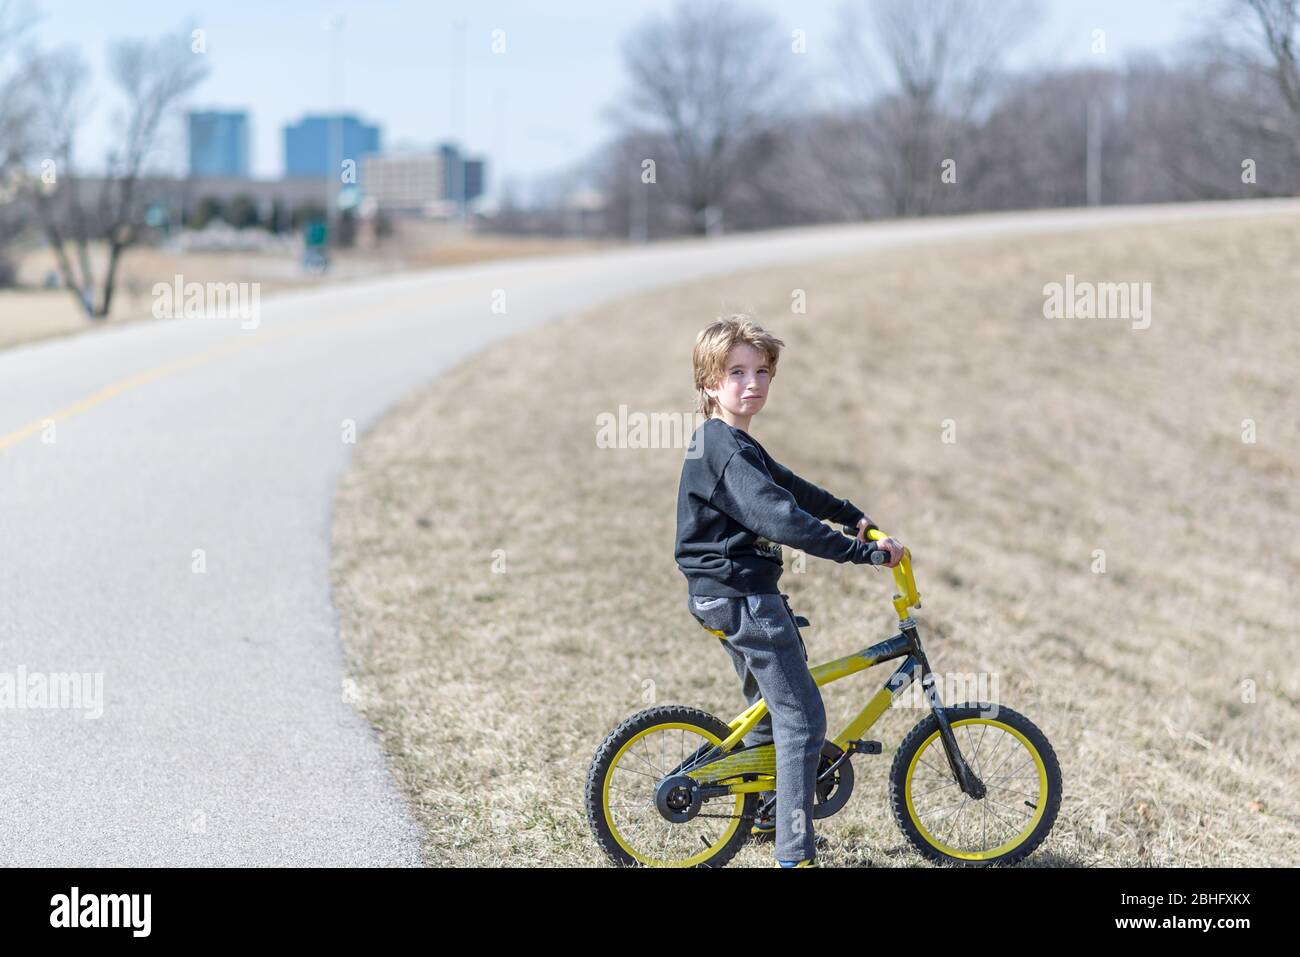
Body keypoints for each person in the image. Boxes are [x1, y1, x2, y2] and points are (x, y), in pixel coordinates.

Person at [674, 314, 903, 868]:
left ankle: (767, 811)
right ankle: (793, 856)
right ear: (709, 383)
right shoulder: (725, 450)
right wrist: (860, 551)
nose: (752, 383)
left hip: (726, 592)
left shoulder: (728, 441)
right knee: (803, 723)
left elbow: (791, 487)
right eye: (736, 372)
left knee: (772, 711)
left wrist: (850, 515)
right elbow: (780, 517)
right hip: (743, 597)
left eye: (762, 371)